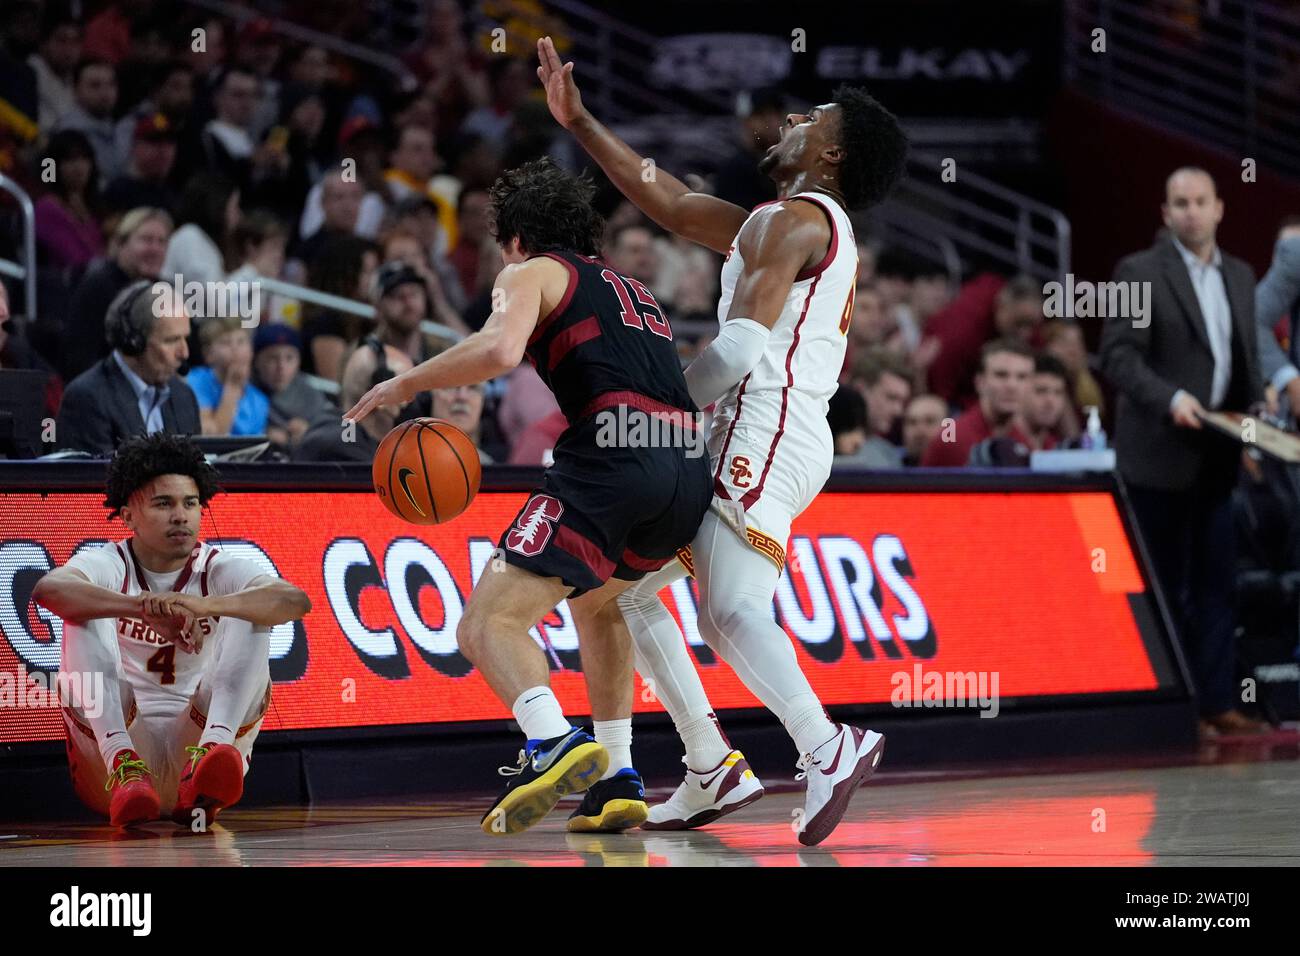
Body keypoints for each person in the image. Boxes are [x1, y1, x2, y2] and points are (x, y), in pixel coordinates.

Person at [537, 36, 907, 844]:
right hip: (756, 428)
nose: (794, 118)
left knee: (731, 610)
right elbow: (663, 199)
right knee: (622, 590)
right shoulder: (777, 223)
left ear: (832, 151)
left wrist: (651, 414)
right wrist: (581, 120)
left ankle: (827, 745)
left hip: (764, 424)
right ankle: (709, 763)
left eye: (813, 117)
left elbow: (739, 351)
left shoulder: (799, 220)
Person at [344, 157, 712, 837]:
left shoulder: (530, 270)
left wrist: (404, 384)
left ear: (514, 238)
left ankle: (553, 740)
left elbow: (500, 349)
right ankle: (617, 778)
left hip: (613, 458)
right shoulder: (636, 288)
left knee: (486, 624)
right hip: (689, 470)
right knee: (604, 606)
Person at [32, 433, 310, 827]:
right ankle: (123, 762)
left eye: (191, 503)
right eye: (164, 504)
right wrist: (143, 609)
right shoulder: (110, 561)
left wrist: (205, 605)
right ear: (128, 516)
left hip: (193, 749)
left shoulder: (215, 567)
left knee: (252, 610)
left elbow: (294, 601)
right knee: (81, 610)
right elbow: (49, 590)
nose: (181, 515)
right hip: (114, 767)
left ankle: (212, 753)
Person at [1099, 166, 1265, 736]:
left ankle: (1217, 702)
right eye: (1179, 203)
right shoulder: (1138, 271)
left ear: (1219, 208)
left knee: (1220, 584)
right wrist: (1170, 397)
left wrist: (1253, 419)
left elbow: (1244, 356)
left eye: (1200, 201)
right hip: (1158, 457)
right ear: (1166, 214)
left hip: (1218, 455)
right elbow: (1119, 358)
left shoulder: (1241, 274)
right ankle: (1170, 712)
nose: (1190, 212)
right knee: (1163, 587)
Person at [56, 281, 200, 456]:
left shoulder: (184, 397)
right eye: (171, 340)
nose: (184, 353)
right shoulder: (87, 398)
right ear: (134, 342)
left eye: (185, 338)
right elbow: (96, 479)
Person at [64, 206, 171, 380]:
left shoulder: (167, 290)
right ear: (120, 244)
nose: (155, 249)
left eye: (162, 242)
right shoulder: (97, 286)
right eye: (146, 240)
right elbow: (80, 359)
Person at [920, 338, 1035, 466]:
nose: (1012, 385)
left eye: (1022, 377)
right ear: (980, 382)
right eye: (1001, 375)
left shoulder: (1024, 443)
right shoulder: (951, 438)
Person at [296, 339, 413, 463]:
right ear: (379, 396)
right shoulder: (343, 446)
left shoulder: (350, 434)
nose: (414, 400)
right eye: (408, 390)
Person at [252, 323, 332, 450]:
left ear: (299, 361)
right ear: (256, 360)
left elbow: (333, 430)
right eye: (272, 358)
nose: (281, 367)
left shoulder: (311, 395)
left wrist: (310, 431)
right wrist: (262, 435)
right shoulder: (247, 392)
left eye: (289, 358)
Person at [34, 129, 104, 271]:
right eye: (70, 159)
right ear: (53, 166)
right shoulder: (46, 208)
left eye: (85, 158)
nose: (79, 166)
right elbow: (74, 259)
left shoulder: (96, 205)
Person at [188, 317, 269, 437]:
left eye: (241, 341)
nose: (235, 348)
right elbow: (209, 436)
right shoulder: (194, 381)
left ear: (251, 351)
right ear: (208, 354)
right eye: (225, 342)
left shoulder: (259, 400)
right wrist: (232, 388)